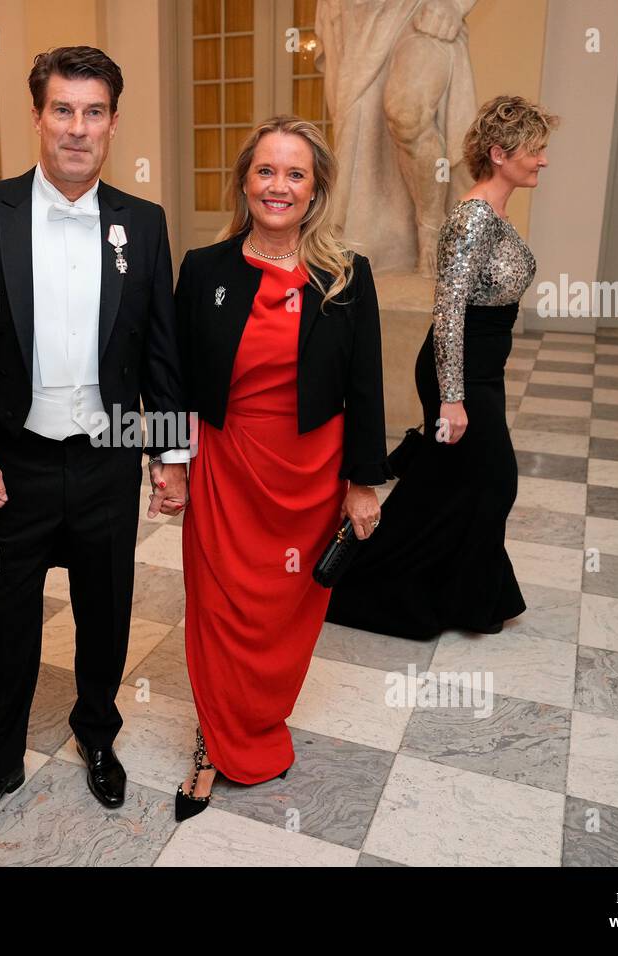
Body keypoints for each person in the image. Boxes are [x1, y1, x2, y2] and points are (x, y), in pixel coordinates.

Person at [0, 47, 189, 844]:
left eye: (95, 111)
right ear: (37, 115)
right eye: (63, 110)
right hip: (16, 462)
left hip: (108, 458)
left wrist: (170, 457)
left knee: (106, 614)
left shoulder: (142, 223)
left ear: (113, 120)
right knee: (8, 618)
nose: (79, 128)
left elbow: (160, 353)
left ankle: (97, 733)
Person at [173, 116, 391, 821]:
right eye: (266, 170)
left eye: (295, 173)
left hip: (309, 473)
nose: (278, 185)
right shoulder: (204, 269)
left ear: (316, 189)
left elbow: (366, 385)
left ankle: (259, 725)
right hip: (225, 464)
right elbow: (170, 377)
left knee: (282, 616)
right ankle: (214, 740)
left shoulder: (347, 275)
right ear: (244, 181)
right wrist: (167, 463)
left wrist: (364, 481)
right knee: (219, 608)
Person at [326, 95, 558, 638]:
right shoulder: (473, 217)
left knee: (447, 486)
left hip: (482, 369)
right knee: (495, 482)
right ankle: (392, 589)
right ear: (499, 154)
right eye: (535, 149)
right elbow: (449, 308)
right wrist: (451, 399)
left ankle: (435, 590)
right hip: (458, 373)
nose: (543, 160)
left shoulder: (494, 212)